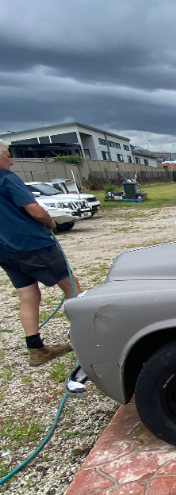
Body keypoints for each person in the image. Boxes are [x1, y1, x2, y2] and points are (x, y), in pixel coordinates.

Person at [0, 139, 82, 366]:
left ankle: (36, 349)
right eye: (7, 155)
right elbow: (36, 211)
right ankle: (85, 338)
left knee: (27, 296)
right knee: (72, 287)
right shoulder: (6, 178)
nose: (11, 161)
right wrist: (51, 223)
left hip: (4, 251)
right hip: (32, 246)